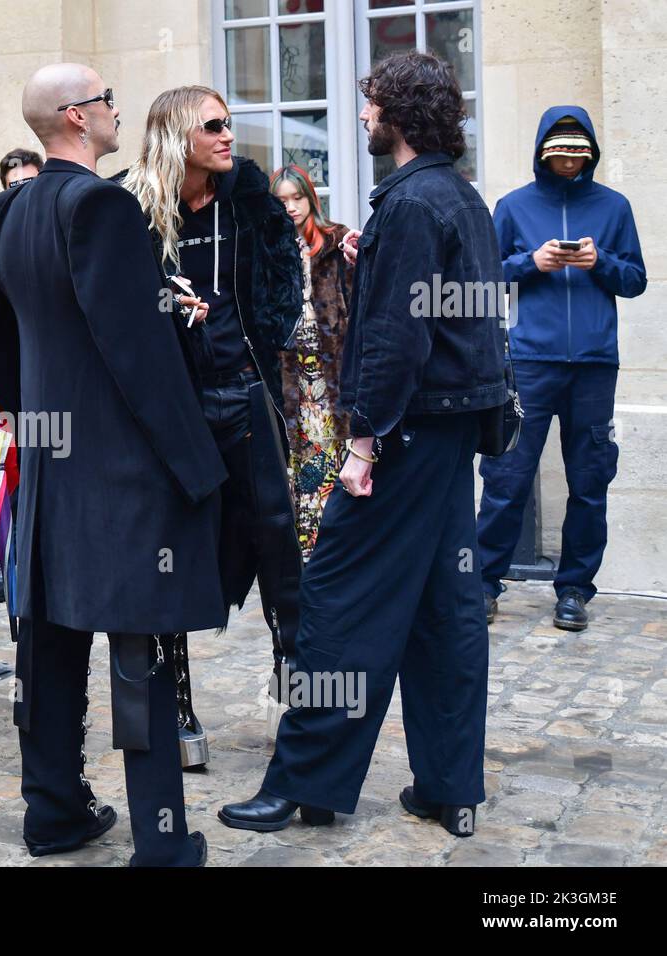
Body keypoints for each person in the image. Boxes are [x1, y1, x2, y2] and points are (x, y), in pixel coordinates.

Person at [218, 52, 507, 838]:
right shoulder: (457, 197)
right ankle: (450, 789)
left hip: (405, 439)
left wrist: (363, 444)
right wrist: (372, 268)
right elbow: (456, 320)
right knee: (445, 613)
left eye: (371, 104)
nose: (362, 116)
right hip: (447, 438)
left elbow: (395, 342)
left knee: (338, 606)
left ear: (399, 115)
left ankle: (303, 784)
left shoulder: (414, 206)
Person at [0, 63, 227, 866]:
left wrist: (32, 420)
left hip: (49, 466)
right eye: (110, 102)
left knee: (47, 646)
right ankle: (160, 843)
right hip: (121, 473)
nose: (119, 112)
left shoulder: (3, 211)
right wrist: (197, 465)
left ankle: (52, 812)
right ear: (79, 119)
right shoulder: (104, 206)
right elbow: (138, 357)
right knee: (141, 653)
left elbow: (0, 343)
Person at [118, 86, 303, 765]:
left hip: (247, 391)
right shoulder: (132, 208)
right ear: (177, 135)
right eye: (214, 126)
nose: (229, 136)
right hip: (176, 408)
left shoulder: (247, 202)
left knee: (279, 545)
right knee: (178, 553)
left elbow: (286, 274)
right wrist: (166, 303)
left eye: (230, 124)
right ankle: (180, 711)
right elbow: (112, 302)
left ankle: (297, 697)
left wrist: (267, 335)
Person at [476, 107, 646, 632]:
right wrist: (533, 262)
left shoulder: (614, 207)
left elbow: (635, 279)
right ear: (543, 155)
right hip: (528, 361)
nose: (570, 161)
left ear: (590, 154)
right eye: (560, 153)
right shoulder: (513, 207)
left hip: (595, 365)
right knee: (507, 477)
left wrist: (603, 263)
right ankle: (483, 583)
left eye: (578, 153)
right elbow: (483, 280)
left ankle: (573, 589)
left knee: (591, 480)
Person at [271, 164, 355, 560]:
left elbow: (357, 308)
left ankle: (332, 545)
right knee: (294, 458)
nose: (290, 207)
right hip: (288, 376)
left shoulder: (337, 243)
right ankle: (303, 548)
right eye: (282, 200)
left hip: (329, 374)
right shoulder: (270, 247)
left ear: (310, 197)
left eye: (297, 197)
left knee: (328, 454)